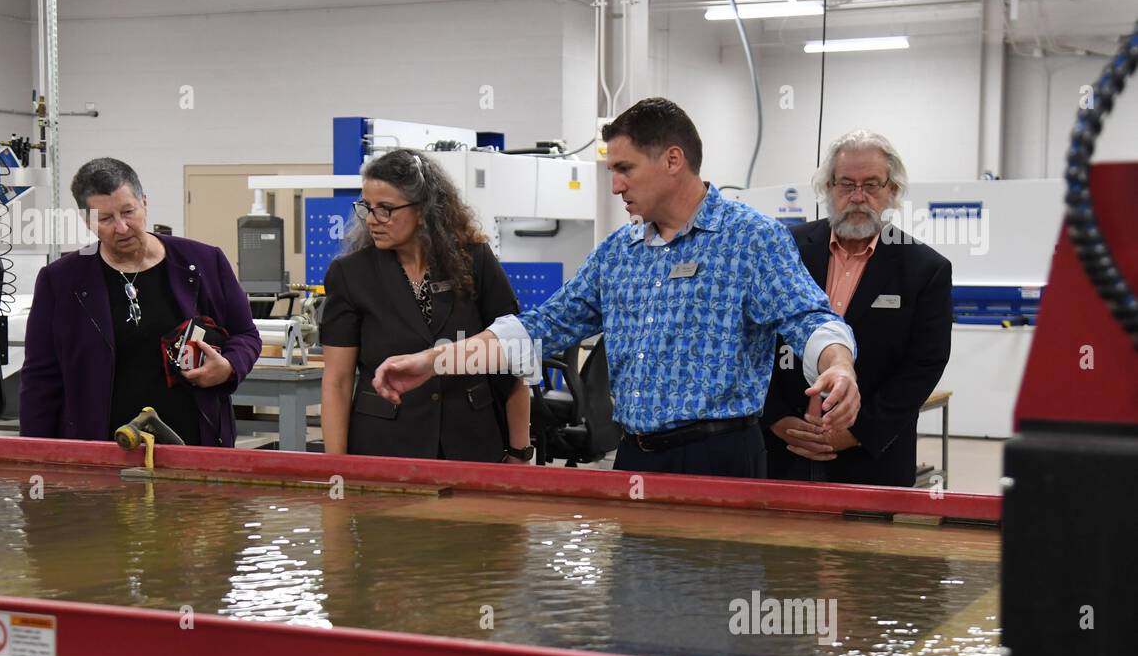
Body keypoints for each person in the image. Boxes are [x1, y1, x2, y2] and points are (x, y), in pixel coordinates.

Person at [370, 97, 860, 478]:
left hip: (719, 457)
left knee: (713, 599)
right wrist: (432, 363)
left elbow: (808, 318)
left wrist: (839, 367)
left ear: (673, 160)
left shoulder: (751, 238)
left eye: (624, 169)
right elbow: (541, 327)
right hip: (633, 458)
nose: (615, 186)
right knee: (635, 603)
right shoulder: (618, 252)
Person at [20, 157, 261, 447]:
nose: (121, 227)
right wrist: (34, 457)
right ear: (87, 221)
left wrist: (230, 366)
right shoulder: (61, 281)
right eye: (106, 219)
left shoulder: (204, 262)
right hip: (101, 450)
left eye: (128, 211)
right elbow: (41, 378)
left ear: (144, 202)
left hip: (194, 442)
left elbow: (245, 334)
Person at [764, 131, 952, 487]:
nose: (858, 197)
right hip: (780, 451)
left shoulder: (924, 269)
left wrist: (859, 431)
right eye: (846, 184)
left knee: (867, 545)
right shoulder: (785, 249)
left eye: (871, 185)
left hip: (872, 459)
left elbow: (924, 364)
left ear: (892, 191)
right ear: (828, 188)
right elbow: (751, 339)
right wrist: (775, 418)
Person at [320, 148, 531, 462]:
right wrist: (336, 466)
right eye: (367, 207)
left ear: (423, 209)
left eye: (386, 209)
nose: (373, 220)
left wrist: (519, 451)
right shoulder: (351, 274)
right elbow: (337, 381)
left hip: (470, 442)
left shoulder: (475, 261)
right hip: (384, 445)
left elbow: (514, 357)